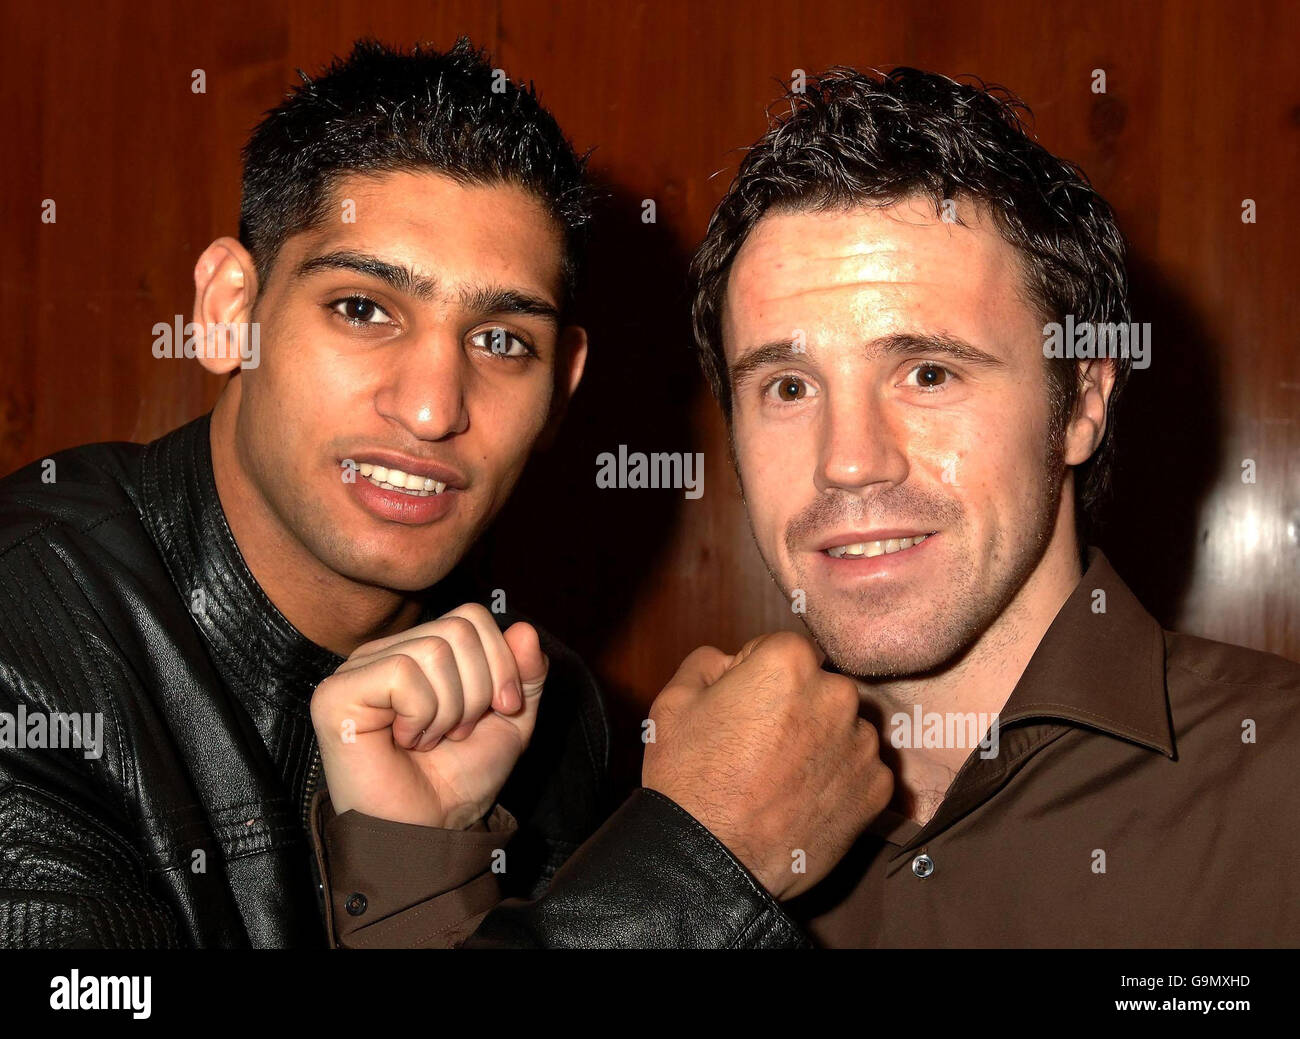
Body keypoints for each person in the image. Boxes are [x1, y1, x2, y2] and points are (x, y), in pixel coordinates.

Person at [313, 66, 1300, 948]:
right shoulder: (647, 832)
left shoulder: (1276, 795)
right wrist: (421, 873)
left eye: (925, 371)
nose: (848, 462)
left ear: (1080, 400)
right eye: (787, 386)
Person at [0, 37, 608, 948]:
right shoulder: (25, 643)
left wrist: (413, 868)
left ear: (560, 389)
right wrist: (697, 866)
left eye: (501, 340)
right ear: (228, 313)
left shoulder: (551, 718)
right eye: (363, 308)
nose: (434, 407)